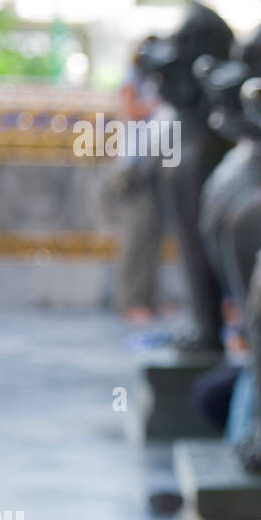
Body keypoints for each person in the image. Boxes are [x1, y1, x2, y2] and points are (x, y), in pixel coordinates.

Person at [107, 40, 164, 322]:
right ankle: (130, 301)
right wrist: (156, 105)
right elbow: (130, 111)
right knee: (135, 237)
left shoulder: (151, 81)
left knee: (151, 237)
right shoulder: (133, 78)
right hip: (133, 169)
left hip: (151, 167)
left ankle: (147, 300)